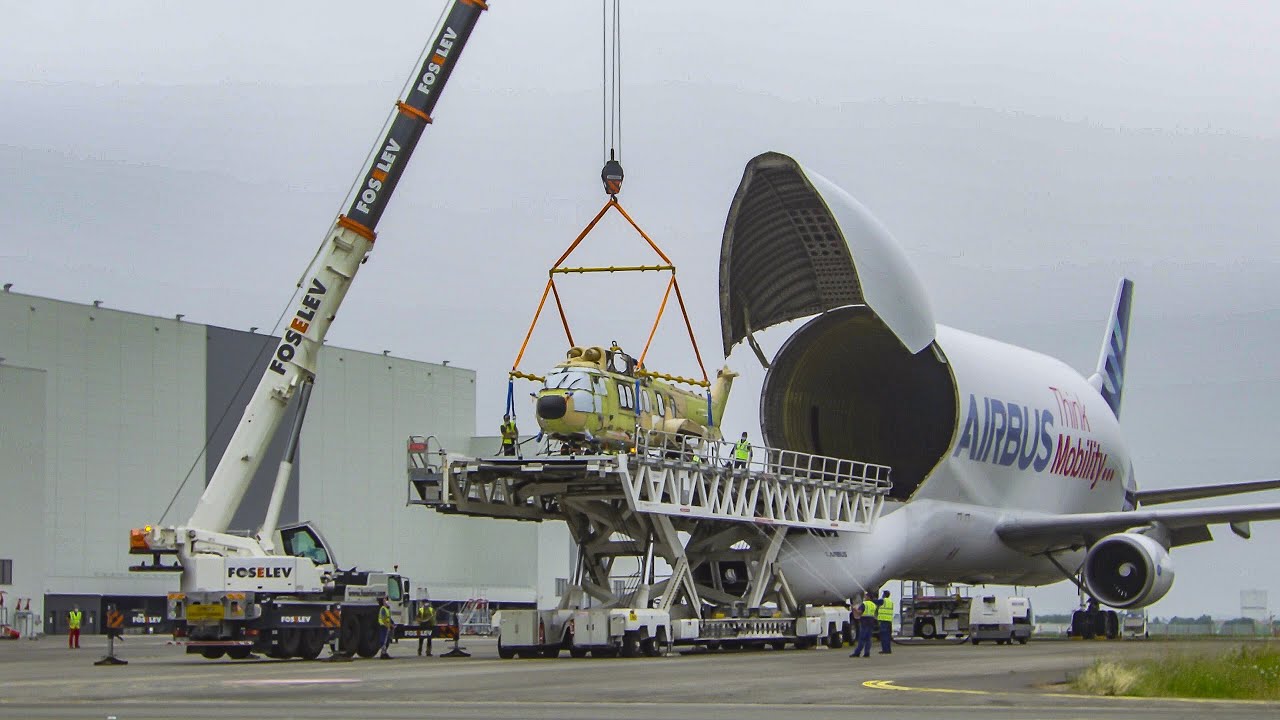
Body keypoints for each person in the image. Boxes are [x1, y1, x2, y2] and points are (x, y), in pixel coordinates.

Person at [877, 589, 895, 654]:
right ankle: (888, 650)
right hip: (889, 621)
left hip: (883, 621)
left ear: (884, 595)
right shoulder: (890, 602)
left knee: (884, 636)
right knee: (887, 636)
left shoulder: (883, 601)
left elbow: (875, 602)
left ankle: (885, 650)